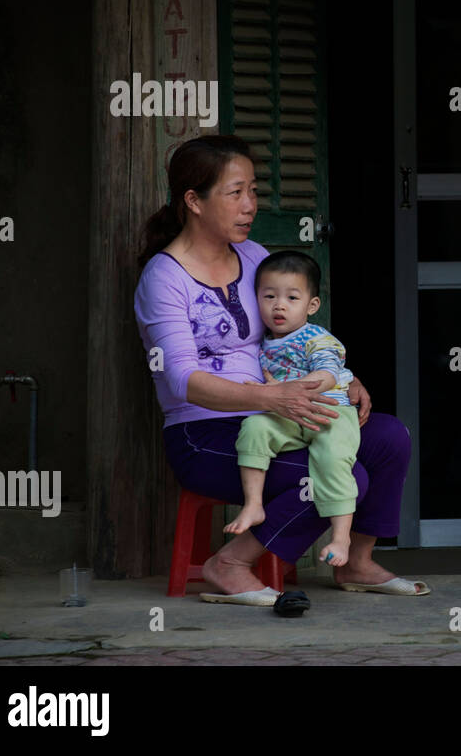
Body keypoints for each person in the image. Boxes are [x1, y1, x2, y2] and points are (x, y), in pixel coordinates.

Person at [134, 134, 429, 605]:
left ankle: (355, 560)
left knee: (389, 438)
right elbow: (182, 380)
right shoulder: (164, 278)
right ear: (194, 201)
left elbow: (292, 330)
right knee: (345, 475)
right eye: (236, 193)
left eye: (253, 190)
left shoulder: (252, 256)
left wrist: (343, 377)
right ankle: (229, 562)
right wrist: (272, 398)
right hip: (205, 434)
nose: (250, 205)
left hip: (278, 415)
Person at [223, 250, 360, 570]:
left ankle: (341, 537)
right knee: (254, 428)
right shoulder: (259, 343)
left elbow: (327, 375)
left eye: (292, 297)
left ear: (312, 305)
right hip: (287, 416)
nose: (279, 305)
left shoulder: (317, 338)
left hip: (329, 414)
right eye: (269, 296)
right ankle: (254, 504)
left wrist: (281, 390)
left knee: (332, 458)